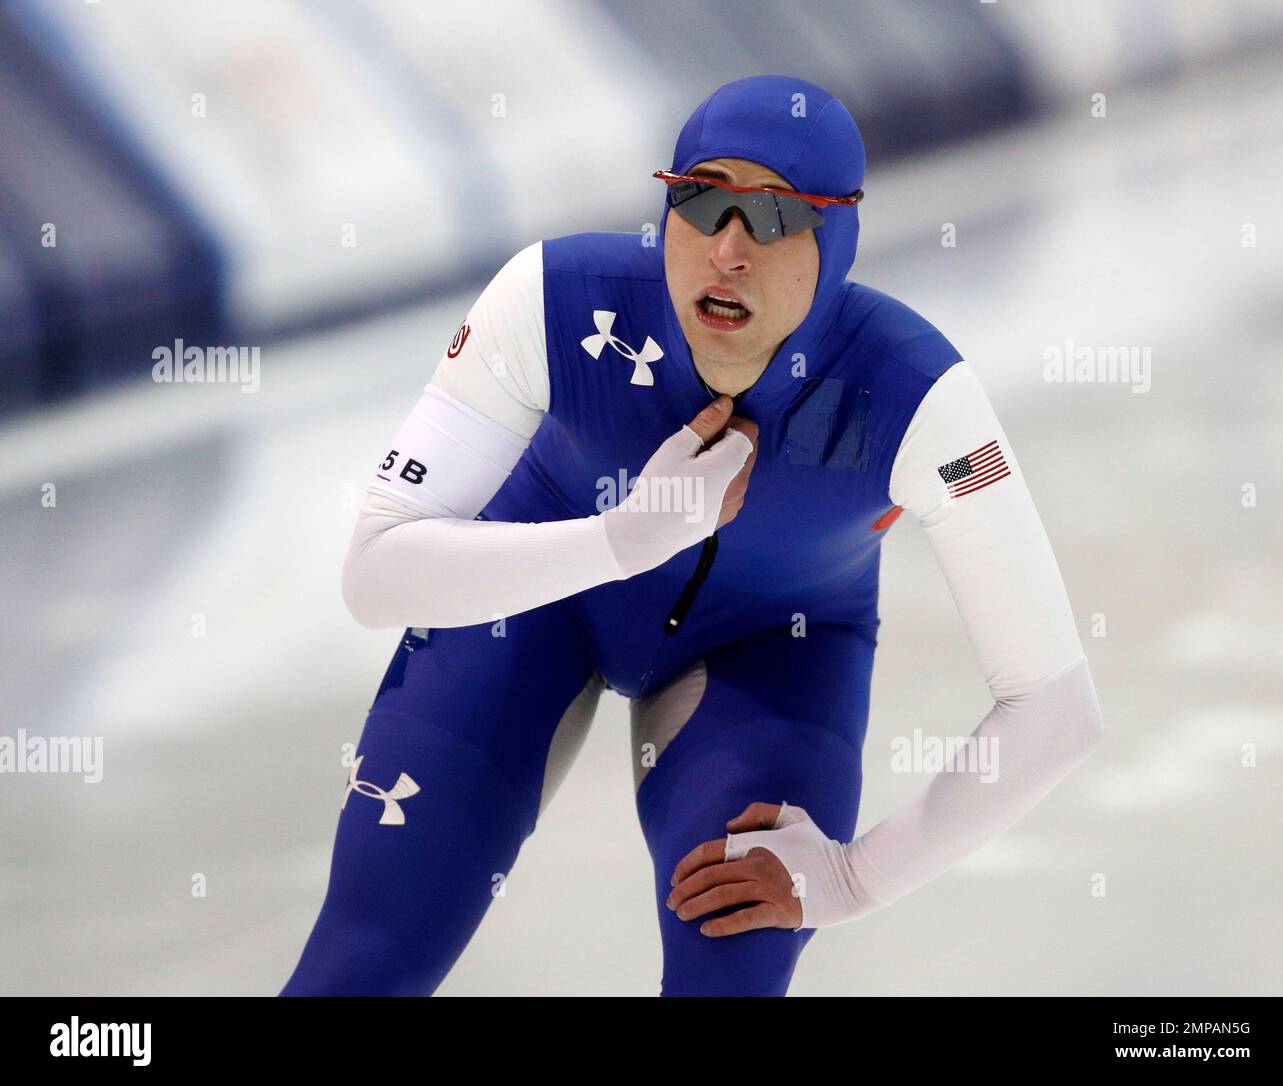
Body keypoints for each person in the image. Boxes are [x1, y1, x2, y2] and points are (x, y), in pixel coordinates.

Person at [281, 74, 1103, 997]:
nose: (728, 250)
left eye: (776, 217)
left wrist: (852, 879)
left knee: (732, 966)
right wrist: (624, 540)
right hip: (532, 599)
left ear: (839, 243)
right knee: (359, 972)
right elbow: (373, 573)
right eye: (701, 200)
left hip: (774, 653)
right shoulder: (555, 297)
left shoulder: (917, 397)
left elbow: (1055, 708)